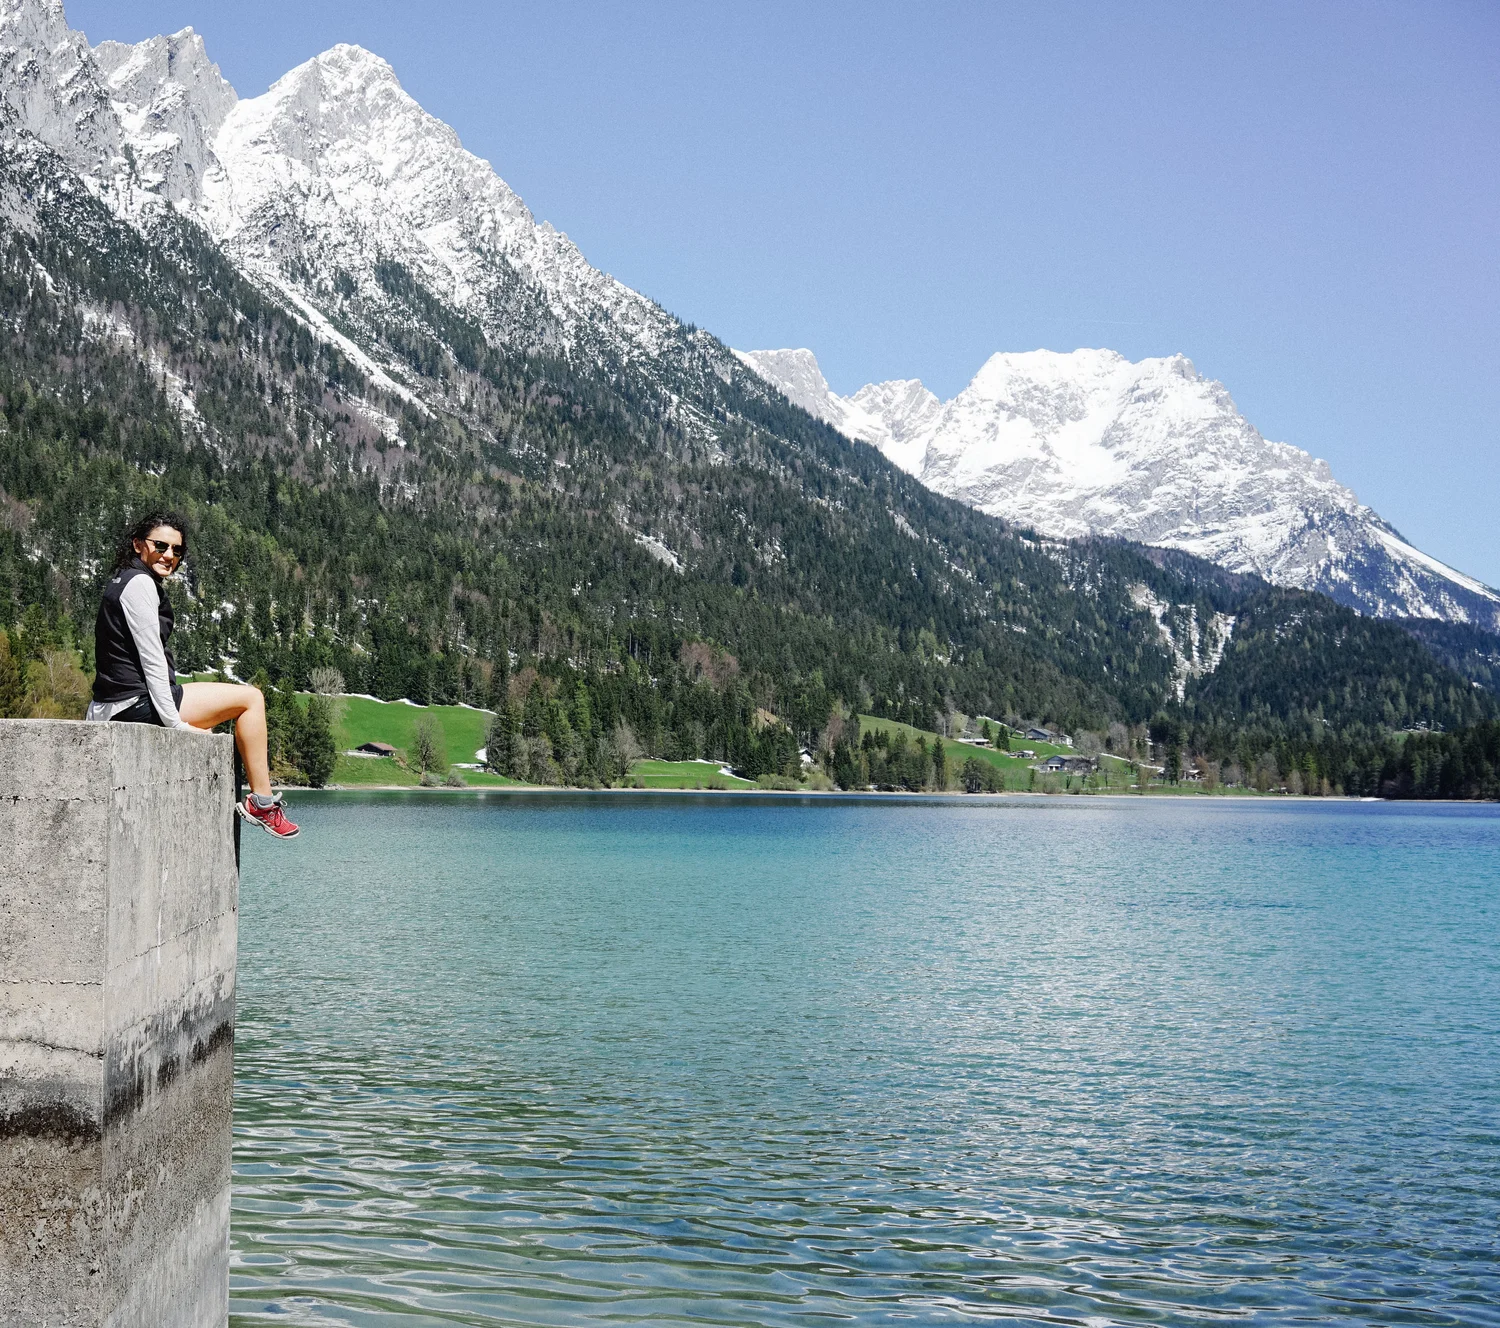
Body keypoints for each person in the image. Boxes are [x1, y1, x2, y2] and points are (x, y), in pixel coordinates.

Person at [87, 511, 299, 839]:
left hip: (114, 703)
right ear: (138, 545)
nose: (169, 555)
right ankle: (263, 802)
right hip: (133, 704)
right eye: (160, 545)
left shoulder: (123, 579)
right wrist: (175, 725)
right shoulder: (140, 584)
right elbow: (153, 661)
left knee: (211, 719)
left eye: (177, 550)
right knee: (250, 699)